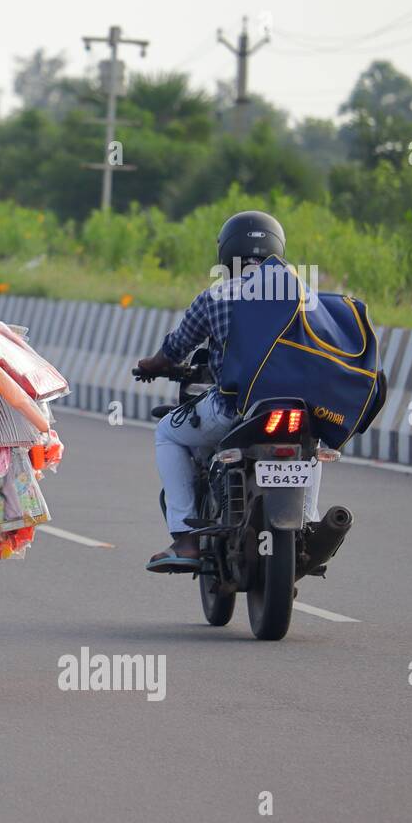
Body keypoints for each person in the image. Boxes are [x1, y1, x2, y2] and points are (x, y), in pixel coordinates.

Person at [135, 210, 321, 573]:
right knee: (309, 445)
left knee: (167, 432)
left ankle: (186, 539)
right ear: (276, 249)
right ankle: (309, 523)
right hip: (295, 408)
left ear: (227, 251)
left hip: (235, 411)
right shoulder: (304, 295)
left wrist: (151, 365)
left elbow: (175, 349)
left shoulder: (216, 295)